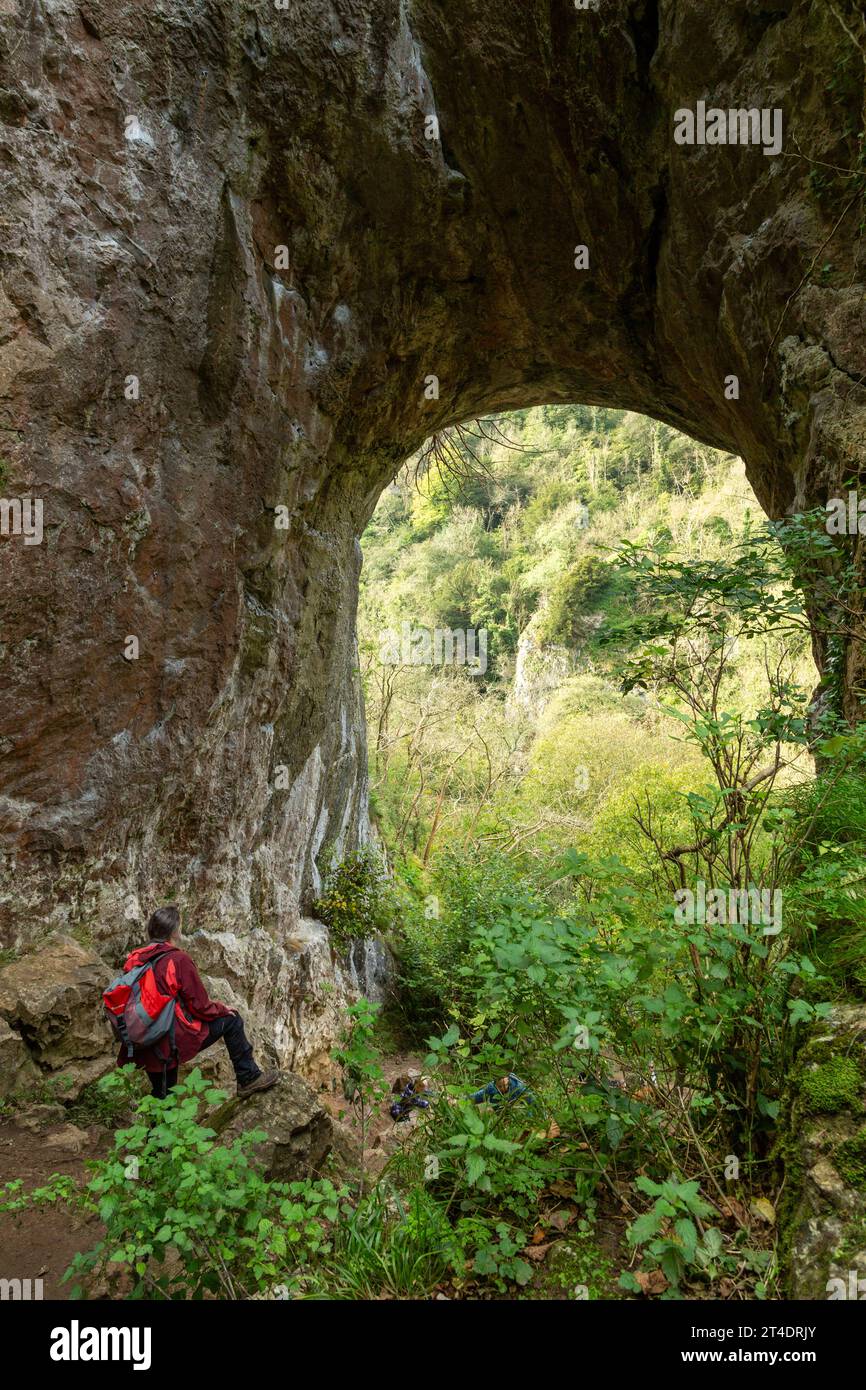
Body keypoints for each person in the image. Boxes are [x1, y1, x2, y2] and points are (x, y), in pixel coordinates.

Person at [116, 905, 278, 1100]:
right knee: (232, 1021)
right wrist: (221, 1009)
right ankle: (249, 1078)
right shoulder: (177, 959)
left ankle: (159, 1129)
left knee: (162, 1096)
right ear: (175, 931)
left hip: (141, 1039)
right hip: (167, 1039)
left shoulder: (137, 958)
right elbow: (200, 1005)